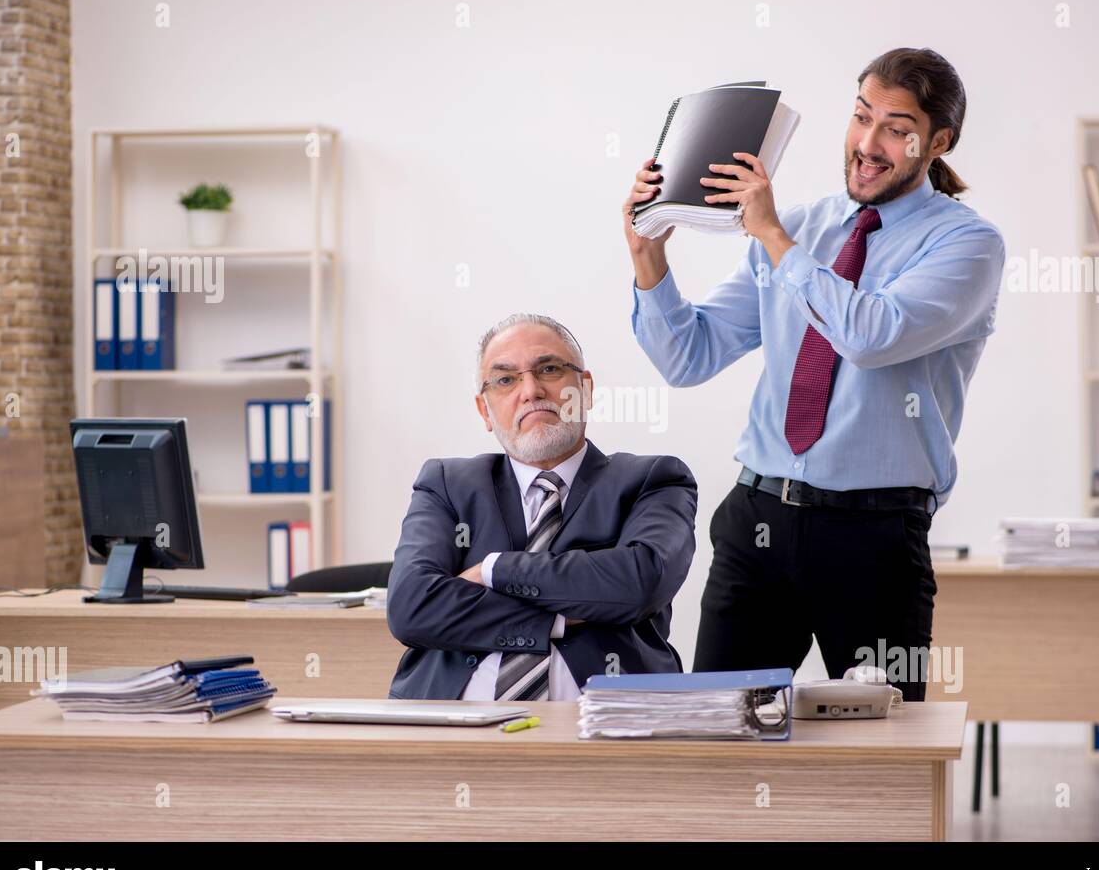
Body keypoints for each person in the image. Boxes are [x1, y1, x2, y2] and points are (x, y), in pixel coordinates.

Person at [622, 48, 1005, 700]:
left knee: (886, 752)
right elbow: (690, 356)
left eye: (896, 126)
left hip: (876, 537)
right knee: (722, 728)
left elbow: (867, 334)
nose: (868, 142)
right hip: (758, 520)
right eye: (861, 117)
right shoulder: (802, 229)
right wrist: (647, 257)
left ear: (938, 142)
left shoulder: (967, 245)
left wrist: (773, 238)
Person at [387, 313, 697, 701]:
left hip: (609, 729)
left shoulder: (652, 479)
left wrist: (492, 569)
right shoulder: (448, 484)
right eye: (505, 379)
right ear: (485, 411)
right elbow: (411, 607)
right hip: (452, 730)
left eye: (548, 369)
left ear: (585, 388)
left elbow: (641, 581)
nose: (530, 391)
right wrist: (563, 614)